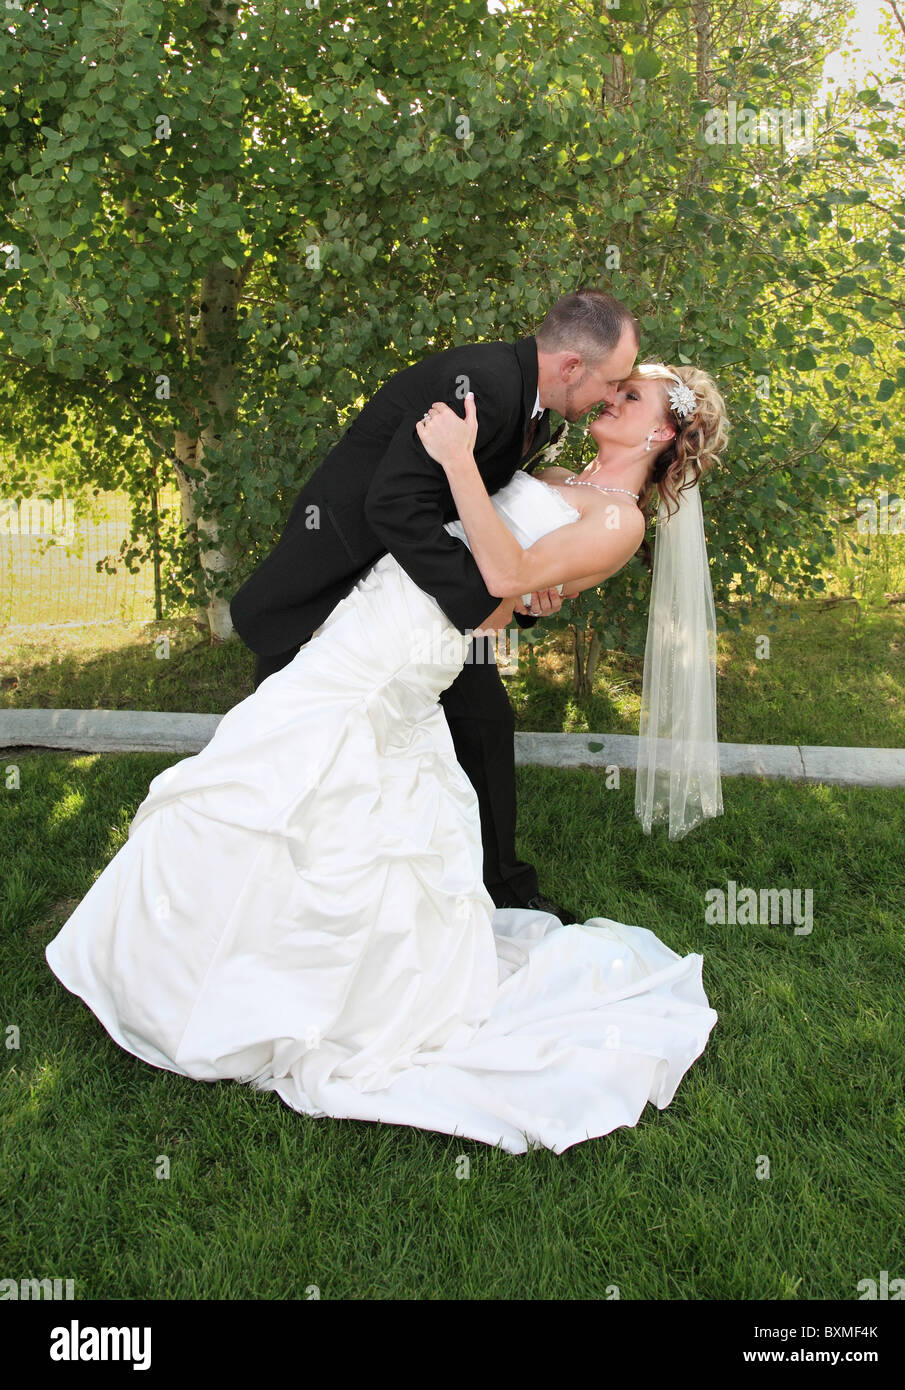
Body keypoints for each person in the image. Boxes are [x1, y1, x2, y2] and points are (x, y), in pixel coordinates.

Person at [45, 352, 728, 1154]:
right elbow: (498, 591)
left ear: (663, 432)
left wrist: (459, 465)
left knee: (299, 768)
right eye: (616, 385)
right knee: (279, 766)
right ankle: (186, 963)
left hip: (406, 652)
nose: (612, 399)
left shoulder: (621, 521)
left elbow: (503, 567)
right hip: (379, 610)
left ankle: (272, 991)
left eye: (631, 395)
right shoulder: (556, 471)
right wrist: (521, 595)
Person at [228, 289, 642, 925]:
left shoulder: (537, 411)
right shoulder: (483, 385)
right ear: (569, 367)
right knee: (297, 738)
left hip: (425, 593)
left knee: (482, 723)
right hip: (348, 580)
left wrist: (520, 596)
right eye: (612, 382)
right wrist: (487, 602)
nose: (611, 397)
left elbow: (488, 513)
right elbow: (394, 504)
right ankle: (262, 889)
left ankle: (498, 889)